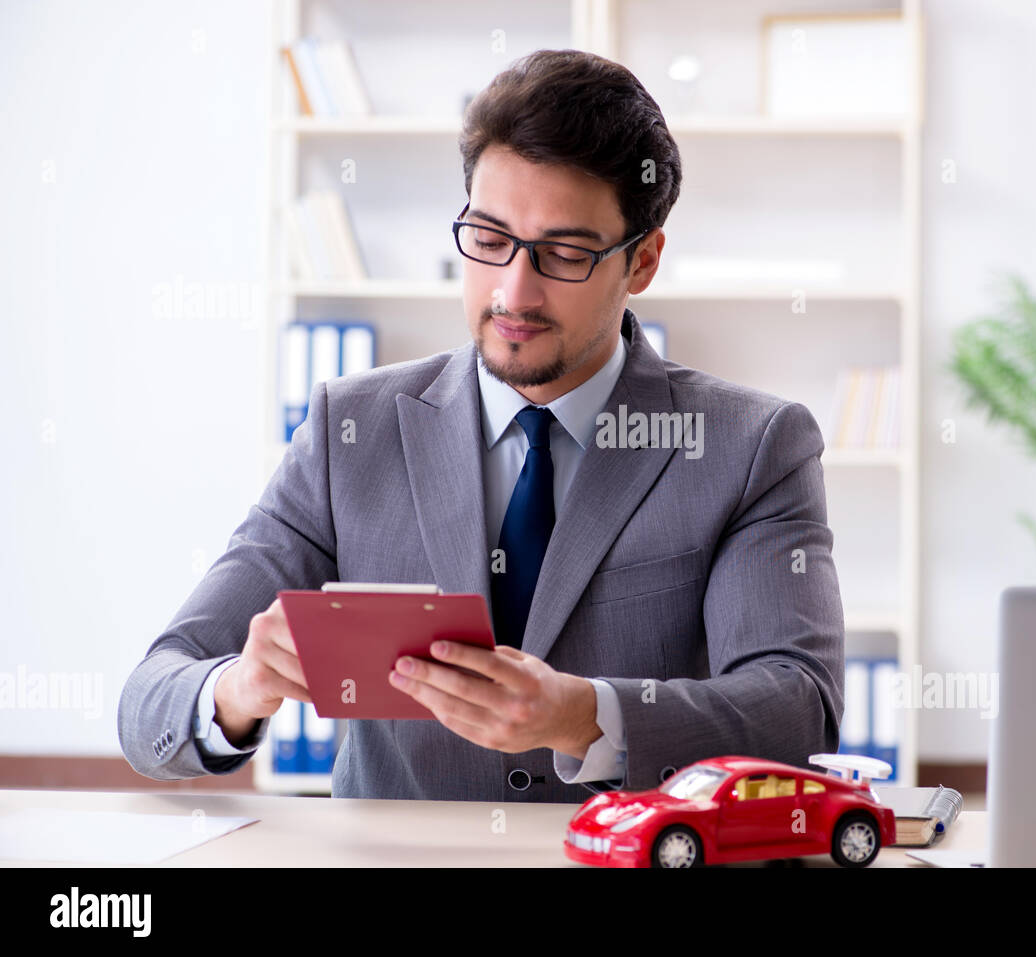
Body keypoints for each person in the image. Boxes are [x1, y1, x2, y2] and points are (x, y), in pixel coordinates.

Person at [118, 48, 845, 801]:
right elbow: (150, 701)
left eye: (562, 253)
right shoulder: (350, 429)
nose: (513, 291)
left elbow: (797, 706)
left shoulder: (752, 447)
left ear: (643, 262)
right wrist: (237, 689)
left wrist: (586, 716)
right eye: (490, 239)